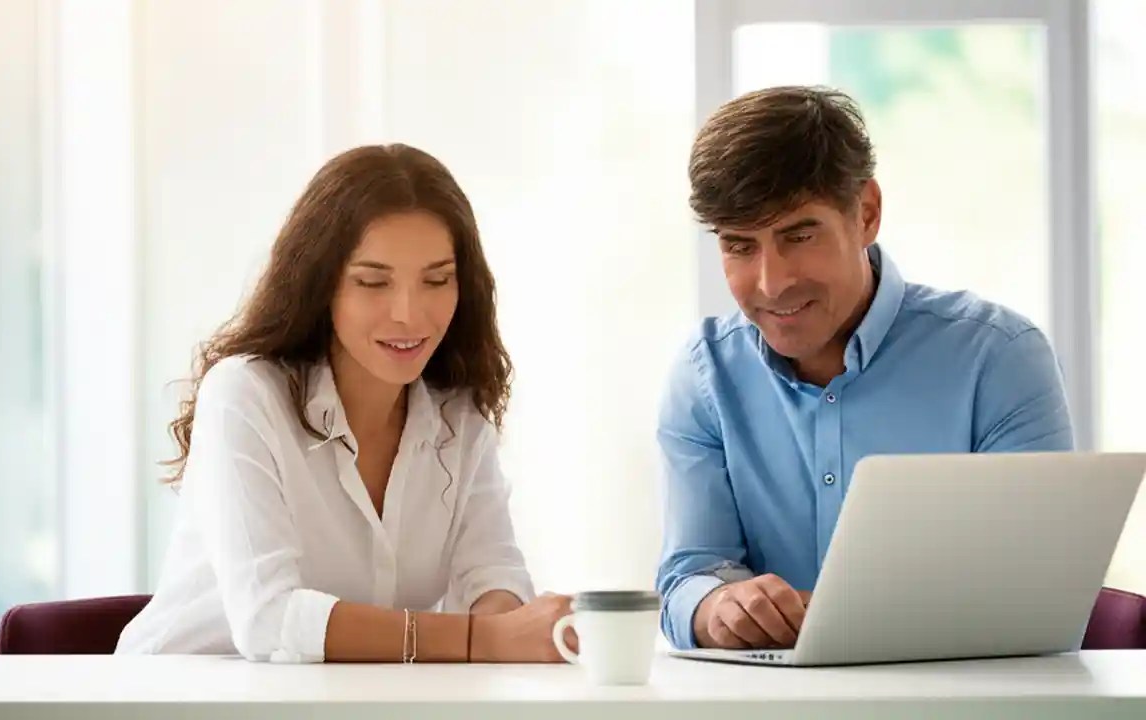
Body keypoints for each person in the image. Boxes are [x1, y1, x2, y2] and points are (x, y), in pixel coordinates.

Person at [656, 86, 1074, 652]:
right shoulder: (705, 376)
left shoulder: (998, 359)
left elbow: (1038, 590)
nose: (771, 284)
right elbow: (689, 575)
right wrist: (717, 607)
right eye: (739, 246)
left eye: (798, 237)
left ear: (866, 213)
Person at [117, 144, 570, 663]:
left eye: (437, 280)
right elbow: (269, 620)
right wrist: (479, 640)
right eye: (373, 282)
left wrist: (507, 626)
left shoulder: (457, 415)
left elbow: (496, 577)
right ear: (321, 284)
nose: (409, 313)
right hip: (184, 700)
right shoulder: (244, 394)